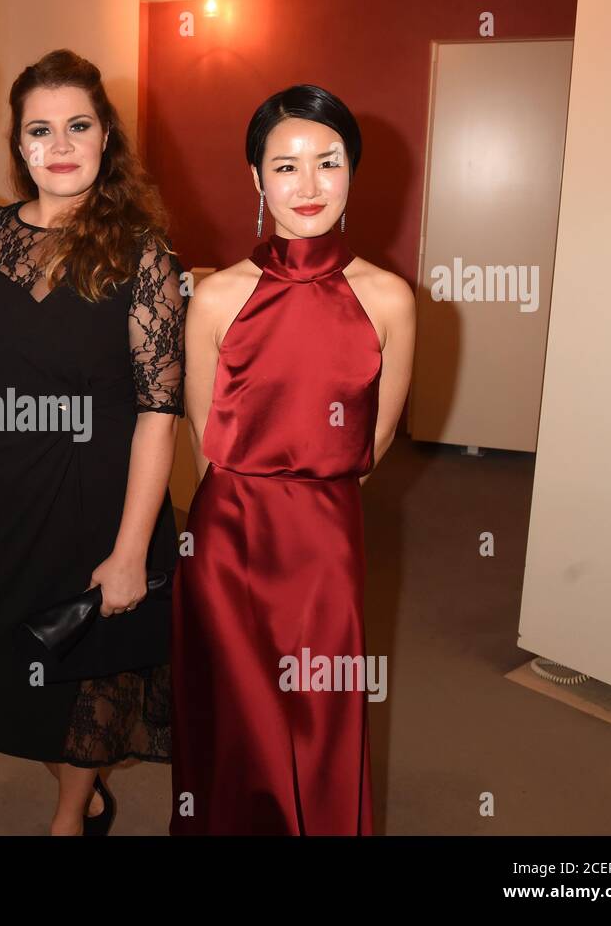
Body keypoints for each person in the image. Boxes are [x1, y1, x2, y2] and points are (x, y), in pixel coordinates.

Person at [0, 49, 185, 836]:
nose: (60, 144)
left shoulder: (143, 252)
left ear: (106, 137)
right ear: (18, 147)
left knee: (91, 679)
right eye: (39, 129)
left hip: (97, 503)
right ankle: (78, 789)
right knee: (11, 677)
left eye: (78, 125)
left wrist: (131, 549)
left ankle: (69, 815)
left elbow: (159, 408)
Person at [170, 84, 415, 835]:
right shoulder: (216, 298)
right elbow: (204, 434)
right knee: (243, 727)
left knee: (320, 721)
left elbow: (372, 446)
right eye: (285, 166)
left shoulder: (390, 299)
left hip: (327, 542)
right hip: (228, 544)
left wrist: (312, 488)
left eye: (328, 163)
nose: (308, 187)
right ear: (256, 178)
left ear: (353, 172)